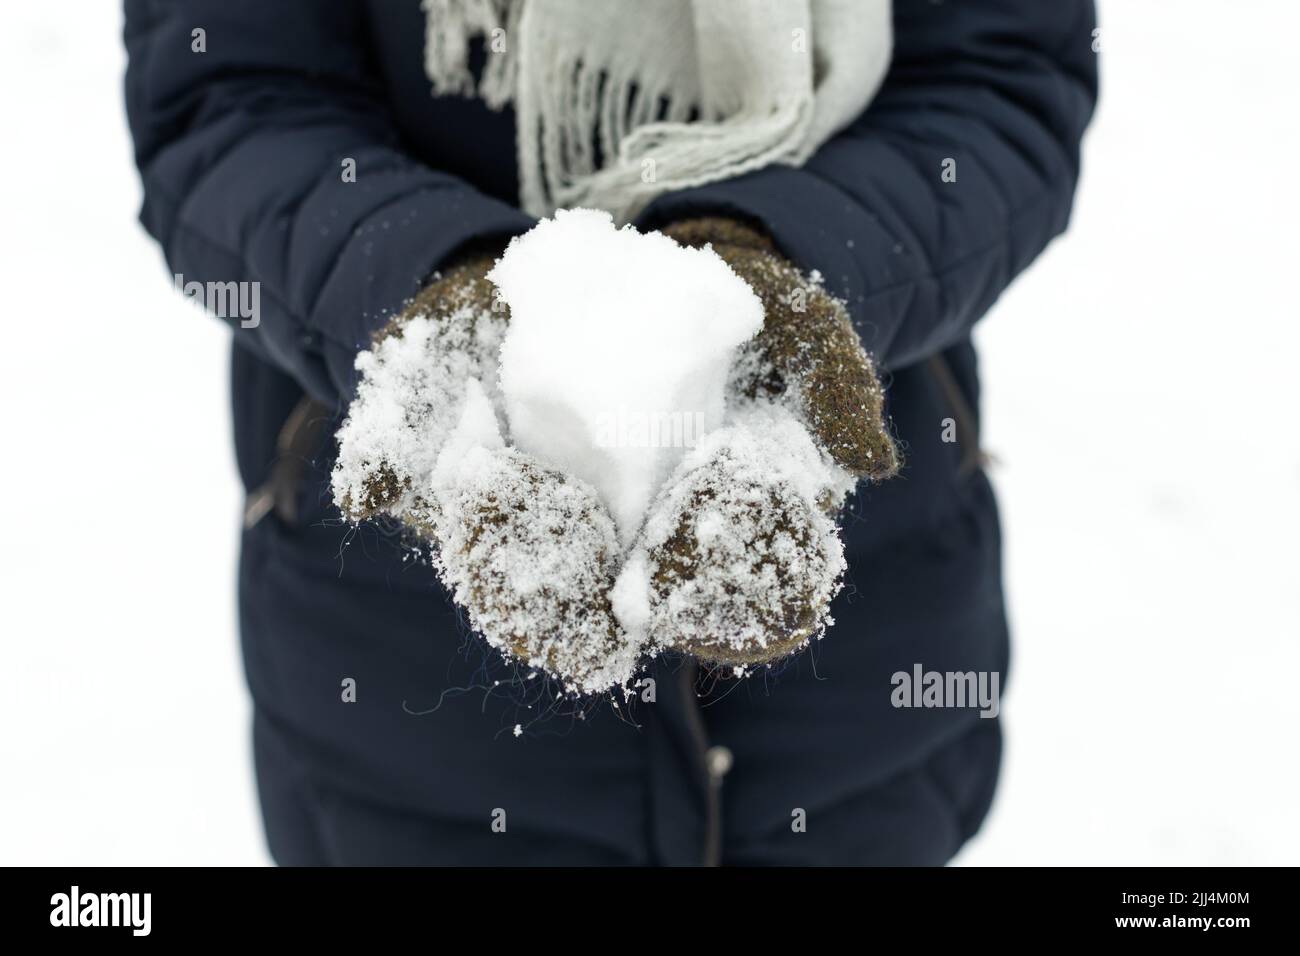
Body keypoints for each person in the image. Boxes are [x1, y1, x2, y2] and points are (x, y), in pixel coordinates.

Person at [124, 0, 1098, 865]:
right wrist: (415, 290)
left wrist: (794, 258)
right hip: (399, 679)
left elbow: (999, 74)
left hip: (861, 661)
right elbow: (227, 95)